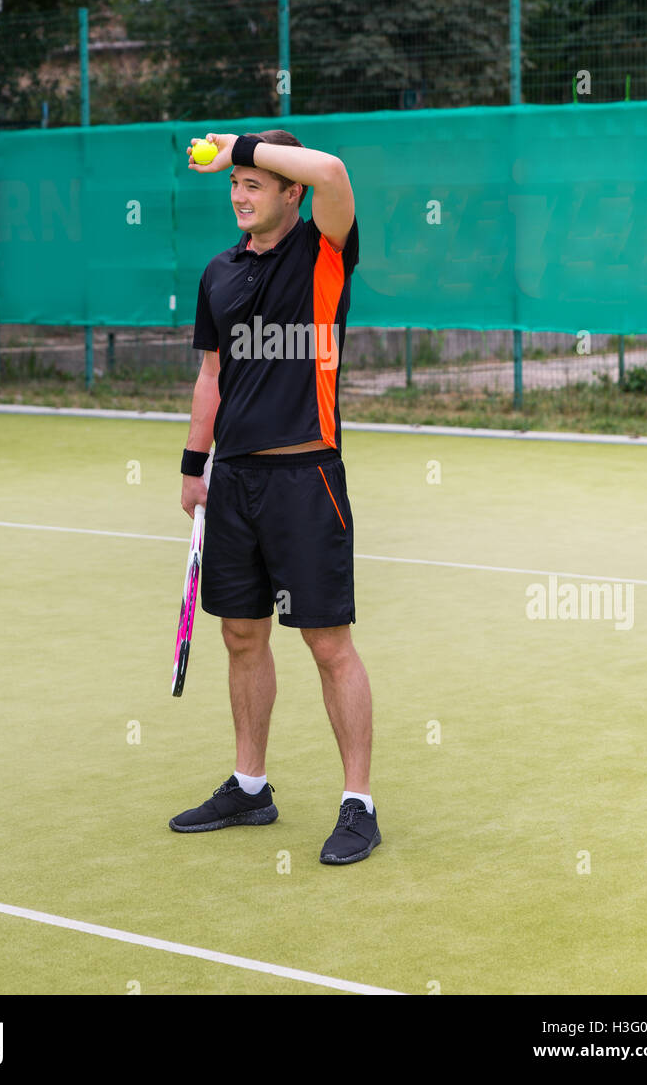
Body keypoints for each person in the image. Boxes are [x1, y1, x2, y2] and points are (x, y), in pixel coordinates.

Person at [169, 129, 380, 865]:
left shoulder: (324, 252)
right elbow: (211, 376)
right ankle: (250, 786)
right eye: (235, 183)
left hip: (307, 478)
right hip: (234, 482)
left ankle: (358, 804)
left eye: (255, 182)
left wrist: (241, 144)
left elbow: (333, 167)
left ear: (290, 193)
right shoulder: (218, 272)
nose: (239, 193)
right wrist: (196, 465)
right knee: (241, 636)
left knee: (327, 644)